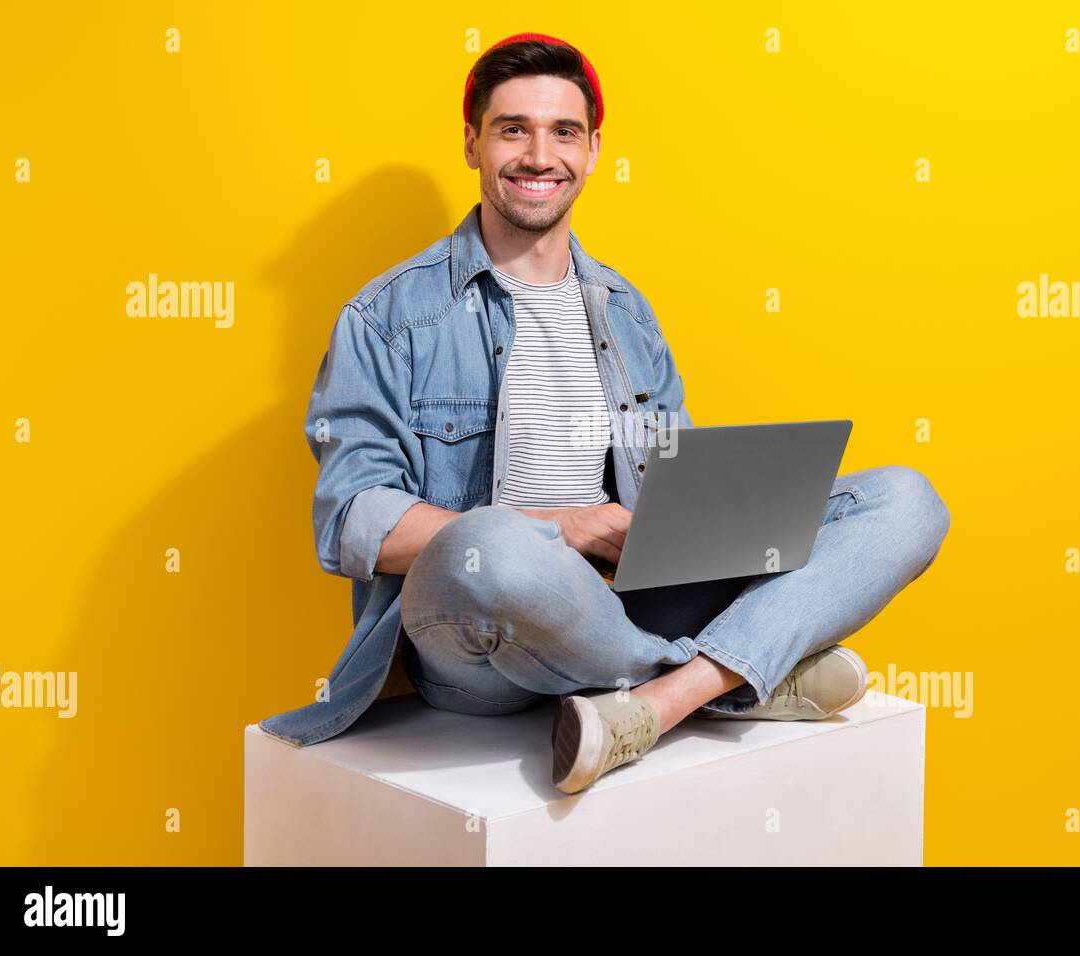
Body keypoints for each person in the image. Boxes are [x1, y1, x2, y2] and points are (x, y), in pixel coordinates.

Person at [258, 32, 951, 795]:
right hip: (480, 632)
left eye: (563, 132)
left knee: (905, 499)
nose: (537, 155)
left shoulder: (627, 313)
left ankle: (662, 700)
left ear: (592, 151)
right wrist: (561, 525)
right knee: (488, 540)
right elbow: (353, 518)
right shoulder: (386, 315)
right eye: (511, 128)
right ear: (471, 144)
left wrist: (705, 518)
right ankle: (733, 675)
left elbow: (672, 483)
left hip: (624, 600)